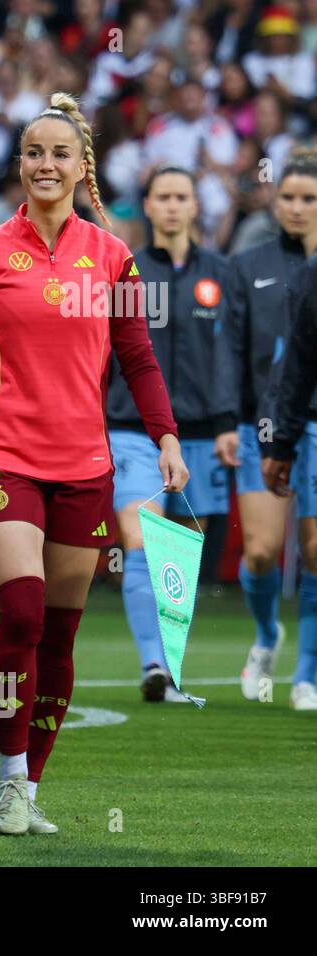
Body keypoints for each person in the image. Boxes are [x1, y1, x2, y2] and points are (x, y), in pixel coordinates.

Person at [0, 93, 186, 836]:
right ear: (20, 164)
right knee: (24, 612)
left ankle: (30, 788)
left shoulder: (113, 256)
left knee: (61, 634)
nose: (45, 164)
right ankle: (6, 780)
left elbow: (138, 356)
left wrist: (165, 438)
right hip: (5, 460)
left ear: (80, 166)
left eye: (59, 153)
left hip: (87, 465)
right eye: (33, 152)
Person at [109, 164, 236, 702]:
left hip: (205, 434)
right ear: (148, 205)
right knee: (140, 541)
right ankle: (153, 665)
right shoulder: (124, 272)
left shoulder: (222, 275)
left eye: (182, 196)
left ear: (195, 205)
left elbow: (233, 356)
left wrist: (231, 424)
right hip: (131, 429)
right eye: (162, 196)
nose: (172, 205)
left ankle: (170, 660)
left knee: (180, 555)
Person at [223, 149, 317, 703]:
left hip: (315, 420)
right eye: (289, 197)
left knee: (314, 549)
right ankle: (266, 634)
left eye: (310, 199)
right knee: (260, 550)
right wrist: (226, 421)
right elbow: (233, 352)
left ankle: (307, 671)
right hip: (260, 422)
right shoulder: (248, 265)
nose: (298, 208)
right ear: (273, 200)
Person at [261, 236, 317, 712]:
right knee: (315, 548)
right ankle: (307, 673)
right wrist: (281, 443)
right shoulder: (313, 273)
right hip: (315, 424)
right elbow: (300, 362)